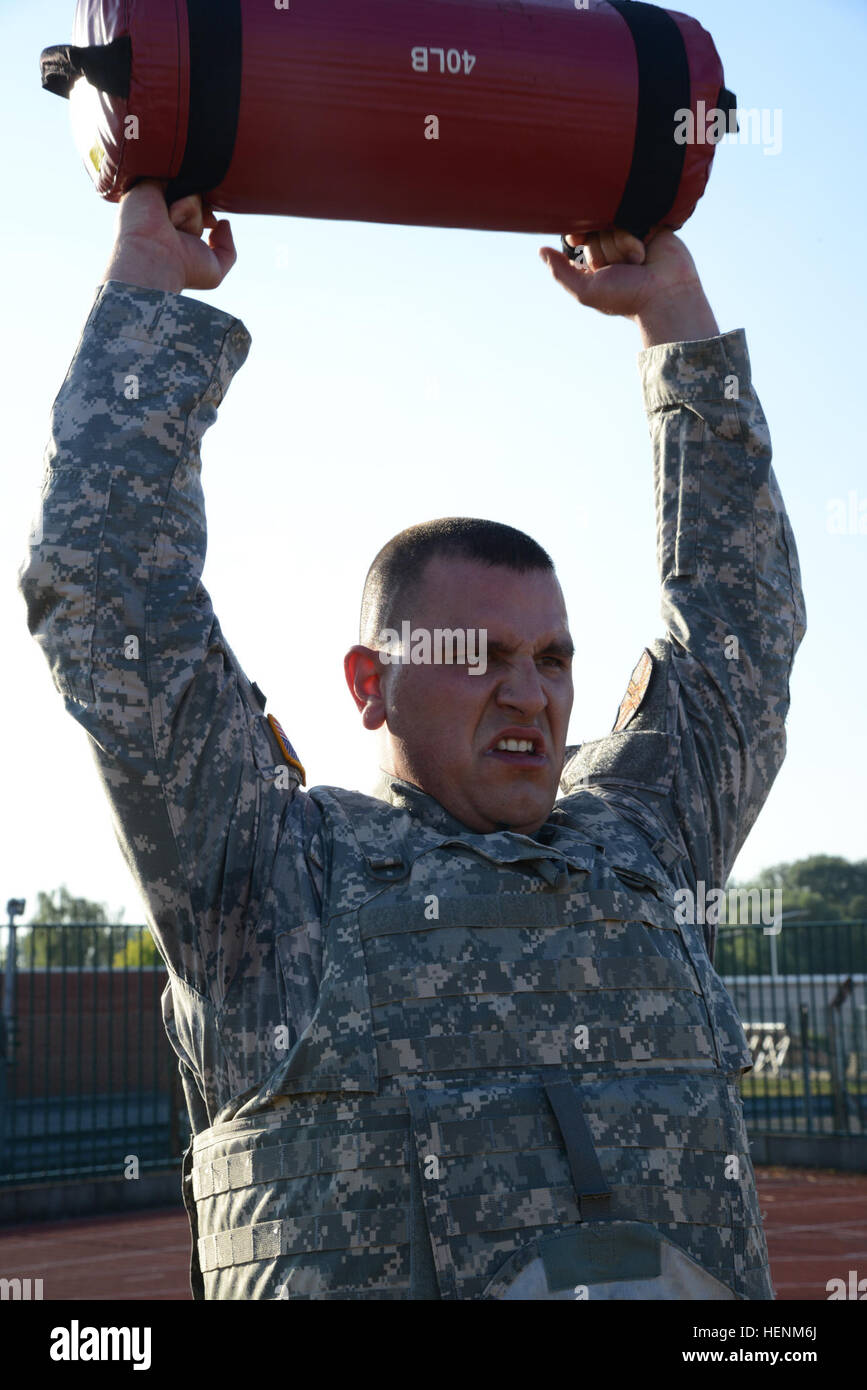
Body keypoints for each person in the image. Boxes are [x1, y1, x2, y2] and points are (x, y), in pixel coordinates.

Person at [20, 180, 805, 1300]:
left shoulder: (647, 844)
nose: (531, 694)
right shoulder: (270, 883)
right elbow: (107, 597)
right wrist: (147, 286)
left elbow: (744, 626)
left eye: (552, 658)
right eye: (480, 656)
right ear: (370, 684)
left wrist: (675, 315)